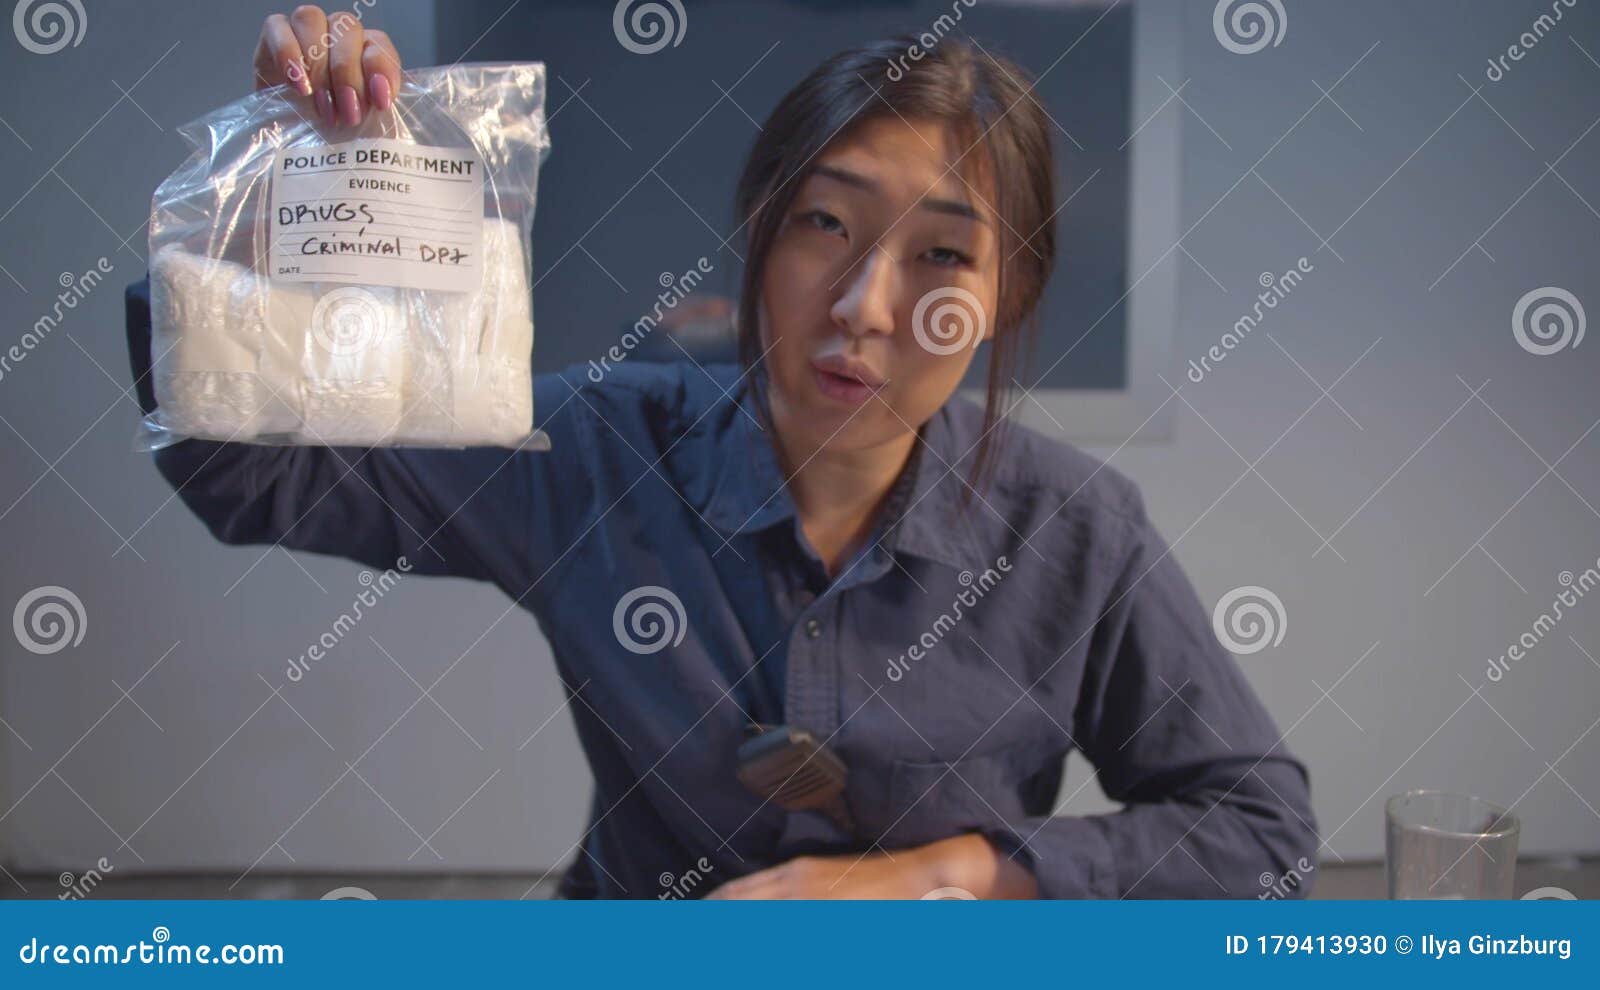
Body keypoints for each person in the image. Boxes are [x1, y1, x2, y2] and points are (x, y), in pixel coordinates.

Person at [123, 6, 1317, 899]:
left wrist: (941, 878)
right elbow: (249, 471)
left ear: (1012, 295)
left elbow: (1257, 827)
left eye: (944, 257)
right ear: (757, 236)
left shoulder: (1073, 527)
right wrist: (275, 201)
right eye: (823, 225)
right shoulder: (599, 448)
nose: (862, 307)